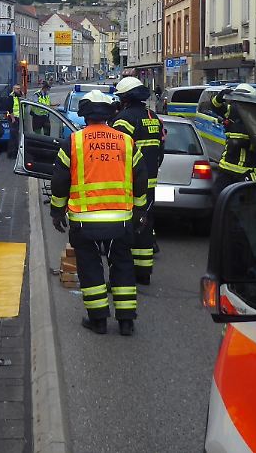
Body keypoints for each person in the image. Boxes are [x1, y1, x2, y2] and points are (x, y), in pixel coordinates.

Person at [50, 91, 148, 336]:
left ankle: (99, 321)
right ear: (108, 114)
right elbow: (141, 177)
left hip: (84, 223)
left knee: (90, 268)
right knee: (123, 266)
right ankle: (126, 321)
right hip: (121, 221)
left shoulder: (73, 142)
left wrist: (56, 211)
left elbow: (60, 181)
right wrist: (139, 210)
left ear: (84, 114)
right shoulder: (126, 141)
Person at [112, 77, 165, 285]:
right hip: (150, 181)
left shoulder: (124, 119)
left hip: (129, 183)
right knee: (145, 223)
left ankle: (124, 274)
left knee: (126, 227)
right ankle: (144, 272)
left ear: (125, 97)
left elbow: (118, 153)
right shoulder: (153, 117)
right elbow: (161, 150)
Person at [209, 83, 256, 188]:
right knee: (218, 195)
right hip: (227, 167)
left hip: (248, 171)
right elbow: (215, 106)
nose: (240, 103)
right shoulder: (232, 111)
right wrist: (221, 96)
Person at [6, 85, 23, 159]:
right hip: (13, 119)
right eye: (17, 89)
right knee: (13, 136)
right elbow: (10, 109)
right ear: (13, 89)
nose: (18, 90)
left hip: (18, 118)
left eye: (19, 88)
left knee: (16, 136)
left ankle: (15, 152)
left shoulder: (18, 96)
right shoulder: (11, 97)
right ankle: (12, 153)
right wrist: (13, 119)